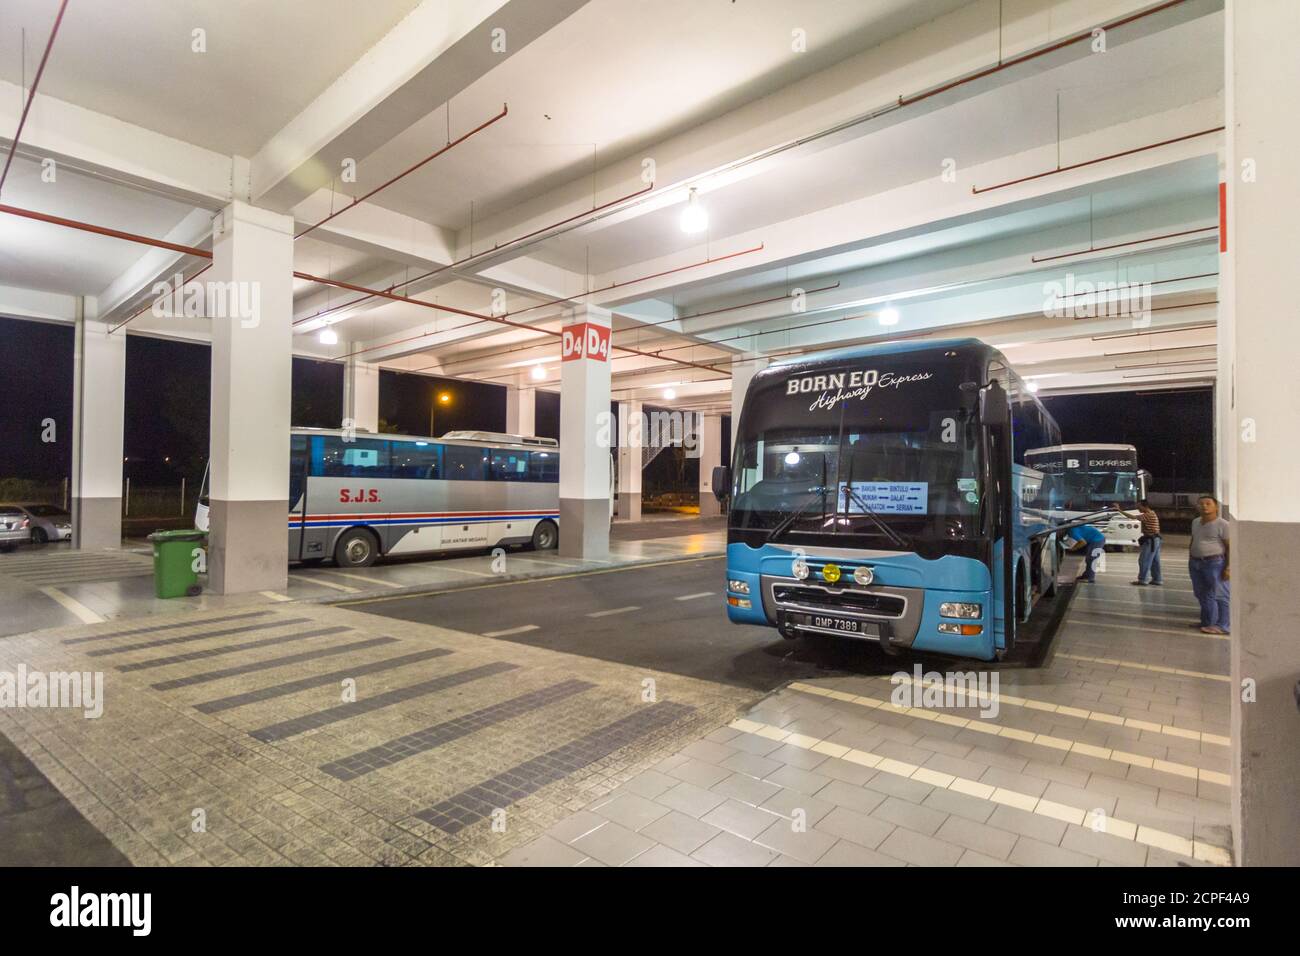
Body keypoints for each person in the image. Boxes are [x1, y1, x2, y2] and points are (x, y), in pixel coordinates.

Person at [1188, 494, 1230, 635]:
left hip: (1215, 563)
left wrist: (1228, 567)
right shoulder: (1195, 522)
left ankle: (1224, 625)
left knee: (1221, 595)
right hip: (1196, 563)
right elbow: (1194, 540)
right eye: (1201, 504)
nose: (1204, 506)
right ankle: (1207, 622)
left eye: (1208, 503)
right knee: (1202, 594)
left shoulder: (1223, 524)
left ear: (1216, 507)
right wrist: (1191, 556)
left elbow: (1229, 547)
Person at [1112, 500, 1162, 585]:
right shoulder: (1152, 513)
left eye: (1139, 507)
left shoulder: (1148, 515)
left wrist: (1119, 510)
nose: (1138, 509)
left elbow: (1132, 517)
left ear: (1145, 506)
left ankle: (1143, 580)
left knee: (1144, 560)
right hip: (1156, 539)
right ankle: (1157, 579)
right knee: (1154, 561)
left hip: (1151, 540)